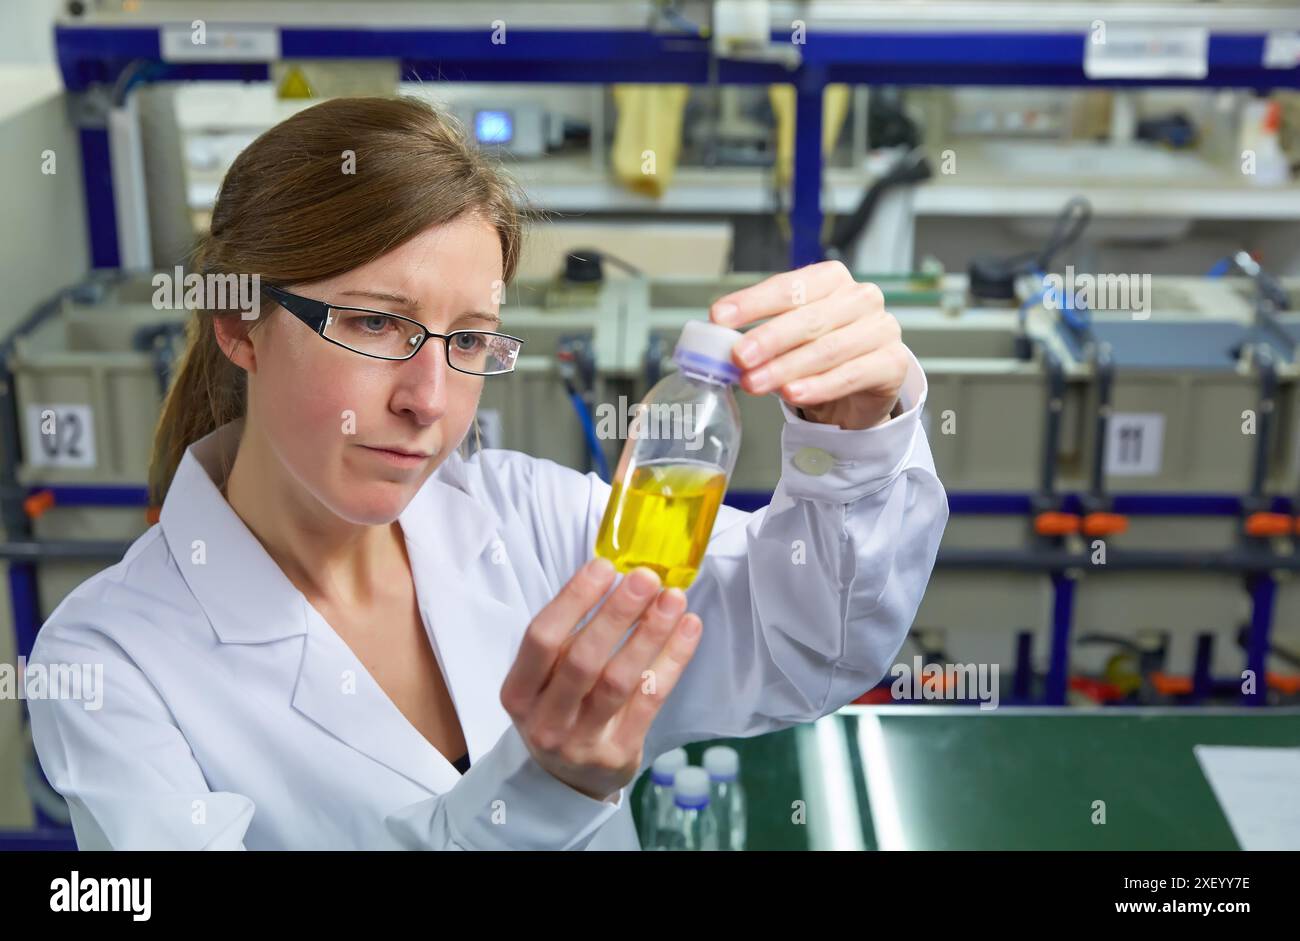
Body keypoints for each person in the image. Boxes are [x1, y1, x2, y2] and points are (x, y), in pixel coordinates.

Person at [26, 96, 947, 850]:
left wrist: (859, 437)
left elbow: (809, 644)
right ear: (238, 324)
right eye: (376, 323)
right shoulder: (111, 665)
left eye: (467, 339)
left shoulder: (527, 515)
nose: (428, 399)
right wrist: (542, 791)